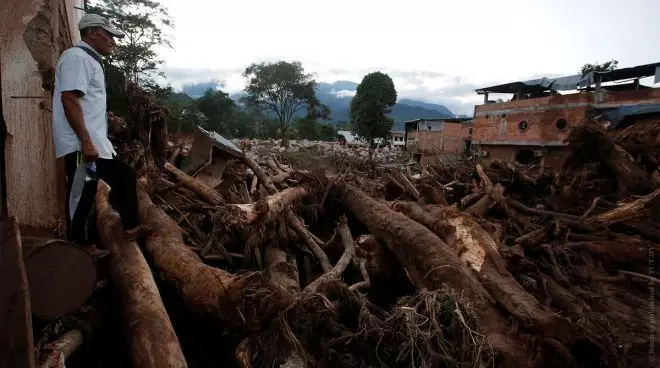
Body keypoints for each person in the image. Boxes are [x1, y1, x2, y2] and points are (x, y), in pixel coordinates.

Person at [52, 13, 150, 243]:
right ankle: (77, 248)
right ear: (93, 32)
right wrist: (85, 141)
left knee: (122, 177)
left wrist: (104, 117)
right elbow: (69, 99)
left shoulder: (88, 59)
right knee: (81, 195)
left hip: (92, 141)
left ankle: (130, 227)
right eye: (110, 35)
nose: (113, 41)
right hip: (80, 144)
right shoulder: (78, 58)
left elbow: (83, 101)